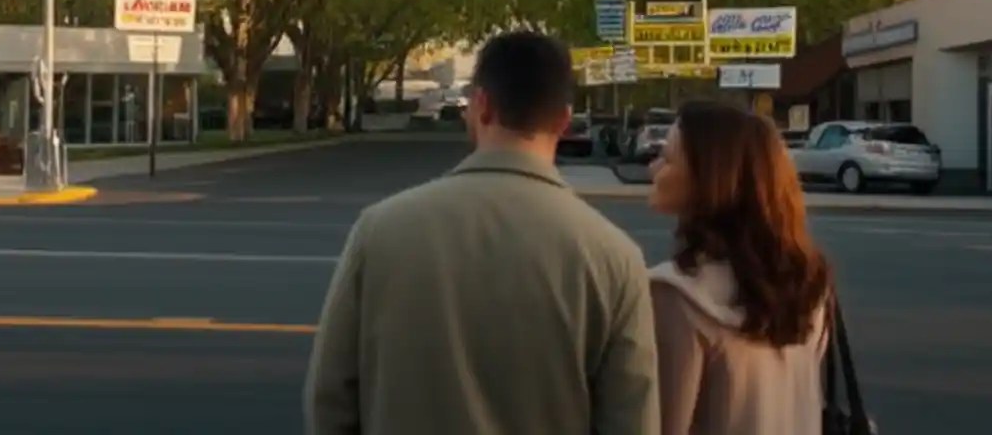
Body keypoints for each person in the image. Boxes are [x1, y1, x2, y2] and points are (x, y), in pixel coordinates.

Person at [304, 31, 660, 435]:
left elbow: (331, 398)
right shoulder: (615, 256)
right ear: (563, 121)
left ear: (482, 106)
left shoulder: (379, 229)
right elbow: (632, 419)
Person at [648, 100, 832, 435]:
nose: (653, 168)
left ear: (710, 179)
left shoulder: (675, 294)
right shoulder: (807, 281)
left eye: (668, 158)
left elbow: (663, 424)